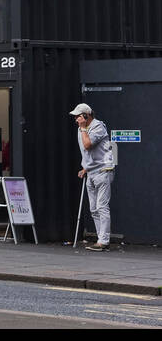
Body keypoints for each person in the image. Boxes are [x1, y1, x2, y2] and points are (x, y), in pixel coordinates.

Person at [70, 102, 115, 251]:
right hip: (91, 171)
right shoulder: (81, 129)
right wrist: (85, 168)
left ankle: (104, 241)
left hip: (103, 170)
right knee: (93, 209)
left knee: (102, 206)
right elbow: (86, 152)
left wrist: (83, 129)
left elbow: (88, 145)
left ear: (86, 116)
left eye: (78, 116)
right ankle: (100, 238)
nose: (76, 119)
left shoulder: (98, 127)